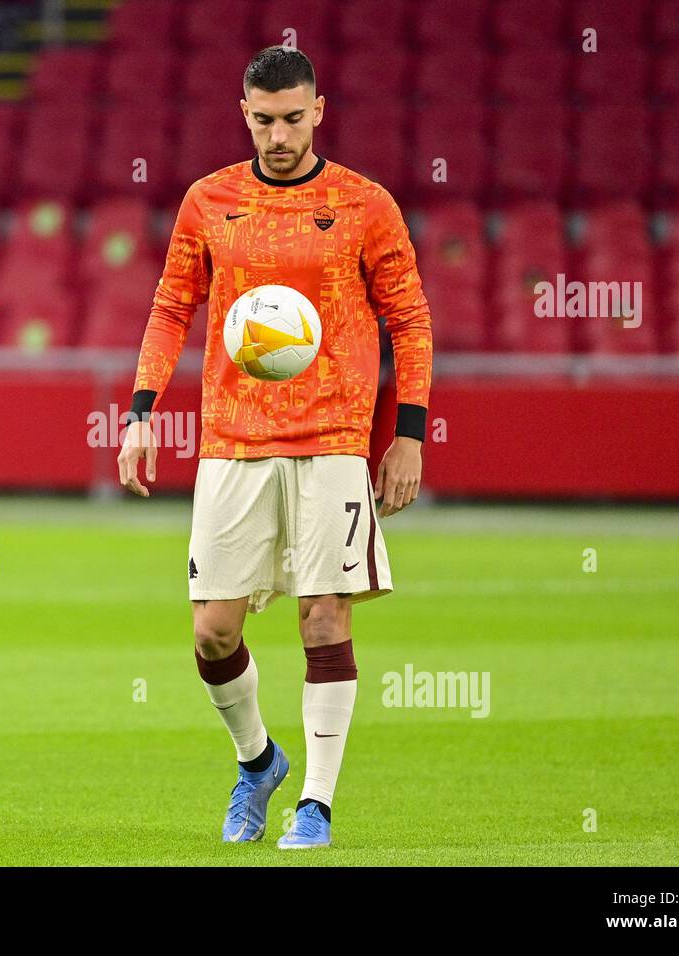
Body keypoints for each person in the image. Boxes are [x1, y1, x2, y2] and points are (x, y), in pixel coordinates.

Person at [116, 46, 432, 849]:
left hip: (333, 438)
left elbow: (411, 320)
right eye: (264, 119)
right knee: (212, 632)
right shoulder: (209, 200)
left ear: (319, 111)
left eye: (293, 117)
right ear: (244, 113)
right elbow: (169, 307)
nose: (279, 133)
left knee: (324, 616)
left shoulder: (365, 204)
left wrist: (407, 436)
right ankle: (257, 761)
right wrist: (141, 411)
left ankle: (317, 806)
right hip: (233, 440)